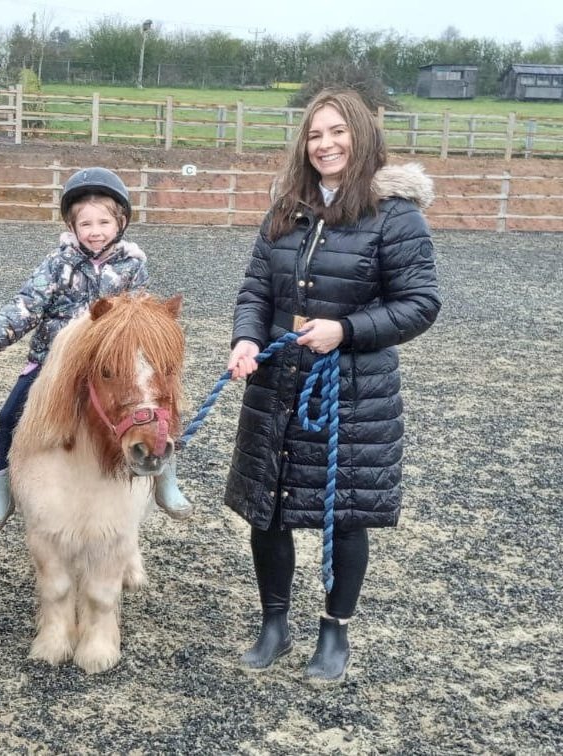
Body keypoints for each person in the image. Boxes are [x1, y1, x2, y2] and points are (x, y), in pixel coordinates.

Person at [224, 88, 441, 682]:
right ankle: (274, 623)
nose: (326, 145)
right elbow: (254, 292)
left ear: (362, 136)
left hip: (350, 388)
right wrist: (246, 339)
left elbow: (420, 304)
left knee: (343, 514)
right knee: (267, 508)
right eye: (316, 134)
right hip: (277, 384)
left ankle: (334, 631)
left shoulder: (396, 217)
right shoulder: (285, 211)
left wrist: (345, 330)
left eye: (338, 132)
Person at [0, 167, 193, 532]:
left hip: (113, 365)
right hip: (53, 362)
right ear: (72, 227)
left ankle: (165, 477)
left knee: (158, 406)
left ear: (120, 222)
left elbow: (138, 311)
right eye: (86, 224)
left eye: (104, 222)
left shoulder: (133, 264)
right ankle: (2, 490)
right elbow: (27, 305)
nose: (95, 232)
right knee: (8, 416)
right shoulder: (58, 263)